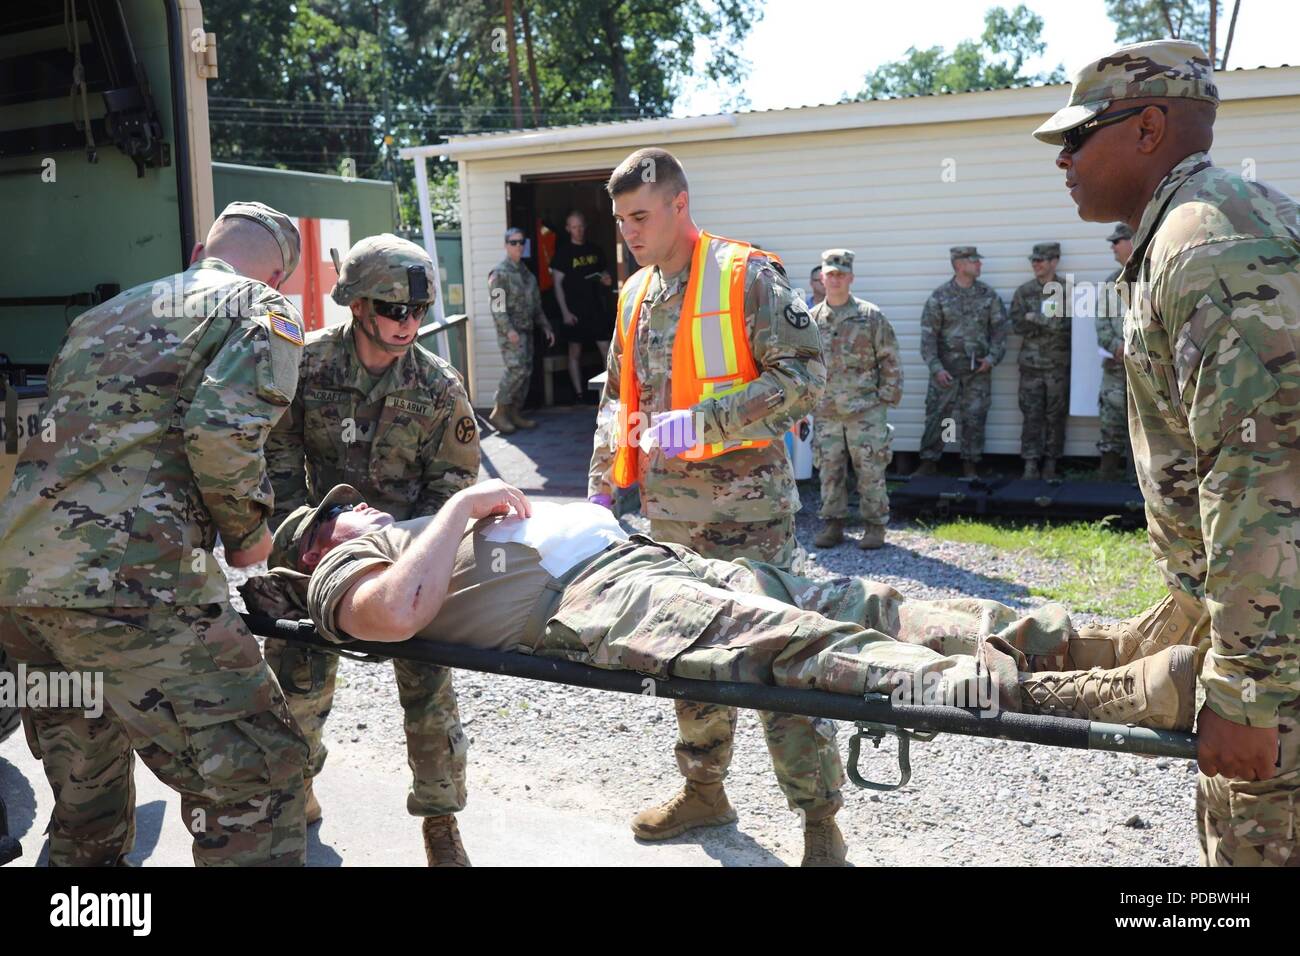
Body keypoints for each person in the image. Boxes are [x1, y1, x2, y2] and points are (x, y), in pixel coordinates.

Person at [237, 480, 1201, 866]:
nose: (356, 508)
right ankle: (1087, 694)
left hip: (641, 559)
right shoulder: (349, 574)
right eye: (336, 515)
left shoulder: (396, 533)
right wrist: (450, 514)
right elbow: (395, 618)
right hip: (600, 603)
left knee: (860, 603)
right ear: (316, 545)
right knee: (820, 653)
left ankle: (1094, 640)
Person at [1036, 37, 1300, 867]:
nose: (1064, 161)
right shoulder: (1226, 220)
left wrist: (1245, 692)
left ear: (1149, 127)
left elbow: (1262, 479)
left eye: (1078, 138)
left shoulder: (1207, 250)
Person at [0, 202, 310, 866]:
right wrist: (249, 537)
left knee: (88, 801)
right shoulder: (260, 309)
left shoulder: (98, 318)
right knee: (261, 777)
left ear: (199, 252)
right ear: (278, 276)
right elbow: (222, 432)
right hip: (133, 583)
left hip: (21, 587)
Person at [586, 147, 849, 864]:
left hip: (749, 519)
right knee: (687, 658)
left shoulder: (745, 276)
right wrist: (601, 491)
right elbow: (617, 398)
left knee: (775, 662)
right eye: (620, 221)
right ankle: (705, 789)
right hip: (669, 521)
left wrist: (708, 423)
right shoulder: (637, 293)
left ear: (679, 204)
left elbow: (806, 377)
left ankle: (819, 821)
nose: (630, 233)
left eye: (640, 216)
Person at [263, 233, 481, 865]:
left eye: (418, 311)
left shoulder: (439, 386)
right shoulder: (306, 365)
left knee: (430, 696)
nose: (408, 323)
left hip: (408, 558)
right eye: (394, 310)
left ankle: (441, 824)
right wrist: (292, 534)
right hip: (318, 552)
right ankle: (295, 789)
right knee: (294, 688)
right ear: (357, 305)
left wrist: (419, 553)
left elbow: (455, 486)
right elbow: (275, 454)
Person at [809, 249, 902, 550]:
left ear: (851, 278)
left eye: (840, 274)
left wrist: (885, 400)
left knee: (871, 470)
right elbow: (804, 364)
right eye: (829, 274)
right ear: (821, 278)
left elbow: (889, 359)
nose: (834, 279)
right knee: (829, 470)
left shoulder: (869, 316)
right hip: (826, 410)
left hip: (865, 410)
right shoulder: (810, 320)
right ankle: (833, 525)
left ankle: (875, 527)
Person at [916, 247, 1009, 477]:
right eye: (974, 261)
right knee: (940, 418)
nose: (979, 265)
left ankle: (970, 464)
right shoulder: (940, 297)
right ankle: (930, 462)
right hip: (946, 372)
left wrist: (991, 359)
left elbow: (1000, 331)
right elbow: (928, 338)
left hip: (978, 372)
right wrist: (936, 368)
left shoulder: (988, 296)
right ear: (959, 265)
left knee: (974, 418)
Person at [1010, 242, 1072, 480]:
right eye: (1033, 261)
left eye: (1041, 260)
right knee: (1031, 415)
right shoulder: (1024, 292)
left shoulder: (1068, 290)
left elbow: (1067, 326)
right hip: (1031, 367)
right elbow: (1017, 325)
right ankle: (1030, 463)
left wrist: (1036, 318)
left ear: (1054, 261)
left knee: (1056, 417)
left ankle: (1051, 463)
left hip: (1058, 366)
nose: (1036, 264)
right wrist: (1047, 322)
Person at [488, 228, 555, 434]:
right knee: (515, 370)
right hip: (511, 333)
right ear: (506, 245)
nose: (518, 246)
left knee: (525, 373)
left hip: (526, 331)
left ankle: (514, 412)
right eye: (514, 242)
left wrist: (546, 326)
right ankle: (499, 412)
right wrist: (508, 331)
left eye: (521, 242)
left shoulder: (527, 275)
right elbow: (498, 308)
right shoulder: (499, 274)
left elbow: (536, 307)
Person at [550, 210, 614, 402]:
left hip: (596, 308)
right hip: (574, 311)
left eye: (581, 226)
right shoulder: (563, 254)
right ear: (568, 228)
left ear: (585, 227)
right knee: (574, 352)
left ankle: (609, 394)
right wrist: (565, 313)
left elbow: (607, 277)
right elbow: (557, 284)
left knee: (606, 350)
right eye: (574, 227)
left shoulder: (595, 250)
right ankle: (579, 394)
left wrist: (606, 280)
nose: (578, 230)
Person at [1096, 224, 1134, 479]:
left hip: (1145, 369)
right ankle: (1107, 477)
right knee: (1111, 419)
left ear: (1133, 241)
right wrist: (1115, 346)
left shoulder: (1153, 277)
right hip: (1115, 366)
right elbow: (1100, 321)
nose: (1112, 246)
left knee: (1143, 423)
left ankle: (1138, 481)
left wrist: (1135, 348)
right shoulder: (1112, 282)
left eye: (1117, 241)